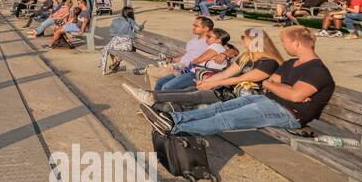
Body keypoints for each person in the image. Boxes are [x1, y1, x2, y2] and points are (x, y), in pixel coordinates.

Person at [135, 26, 335, 137]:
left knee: (226, 119)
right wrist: (282, 89)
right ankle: (172, 118)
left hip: (290, 113)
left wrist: (285, 90)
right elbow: (269, 84)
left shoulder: (317, 71)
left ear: (297, 43)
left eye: (286, 42)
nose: (284, 46)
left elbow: (292, 95)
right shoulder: (291, 63)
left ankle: (174, 126)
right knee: (218, 109)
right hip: (270, 101)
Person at [127, 27, 282, 108]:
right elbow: (226, 73)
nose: (242, 40)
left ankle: (152, 98)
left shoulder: (269, 62)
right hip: (227, 90)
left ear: (256, 41)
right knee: (192, 91)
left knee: (195, 95)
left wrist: (211, 83)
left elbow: (242, 78)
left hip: (242, 96)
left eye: (245, 38)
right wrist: (209, 82)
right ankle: (157, 105)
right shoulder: (245, 57)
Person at [152, 17, 225, 92]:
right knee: (159, 83)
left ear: (206, 28)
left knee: (167, 88)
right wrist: (172, 60)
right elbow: (187, 56)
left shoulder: (212, 41)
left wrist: (224, 54)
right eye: (193, 26)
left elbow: (231, 49)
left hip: (195, 72)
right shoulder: (194, 40)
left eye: (196, 26)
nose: (193, 28)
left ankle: (169, 102)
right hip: (183, 69)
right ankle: (156, 101)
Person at [101, 6, 142, 73]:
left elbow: (111, 32)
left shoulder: (116, 20)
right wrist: (141, 26)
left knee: (111, 48)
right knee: (124, 48)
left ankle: (116, 63)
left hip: (116, 41)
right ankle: (117, 62)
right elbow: (138, 28)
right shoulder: (130, 20)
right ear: (131, 14)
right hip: (126, 44)